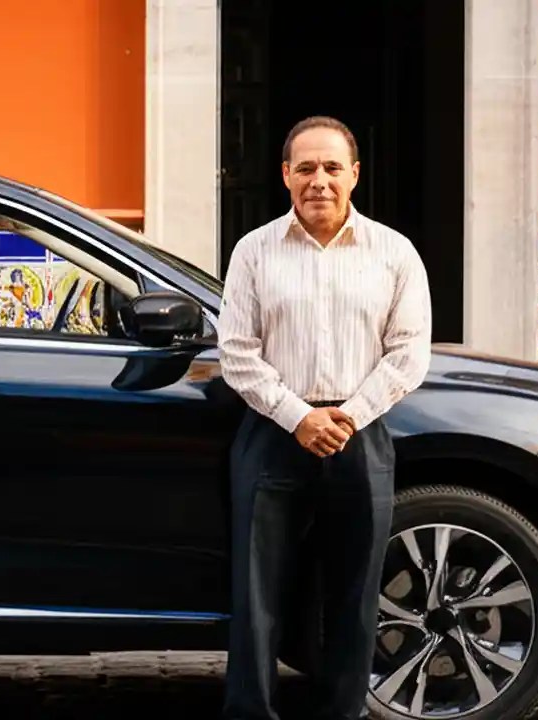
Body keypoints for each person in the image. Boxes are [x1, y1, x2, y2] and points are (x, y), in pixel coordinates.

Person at [216, 115, 433, 720]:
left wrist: (347, 416)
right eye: (306, 167)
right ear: (285, 175)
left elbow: (410, 352)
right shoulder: (253, 251)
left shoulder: (394, 252)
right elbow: (236, 352)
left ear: (354, 175)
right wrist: (297, 418)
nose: (320, 180)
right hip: (272, 432)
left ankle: (344, 711)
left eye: (332, 167)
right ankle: (251, 711)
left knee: (357, 591)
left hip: (359, 435)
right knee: (257, 592)